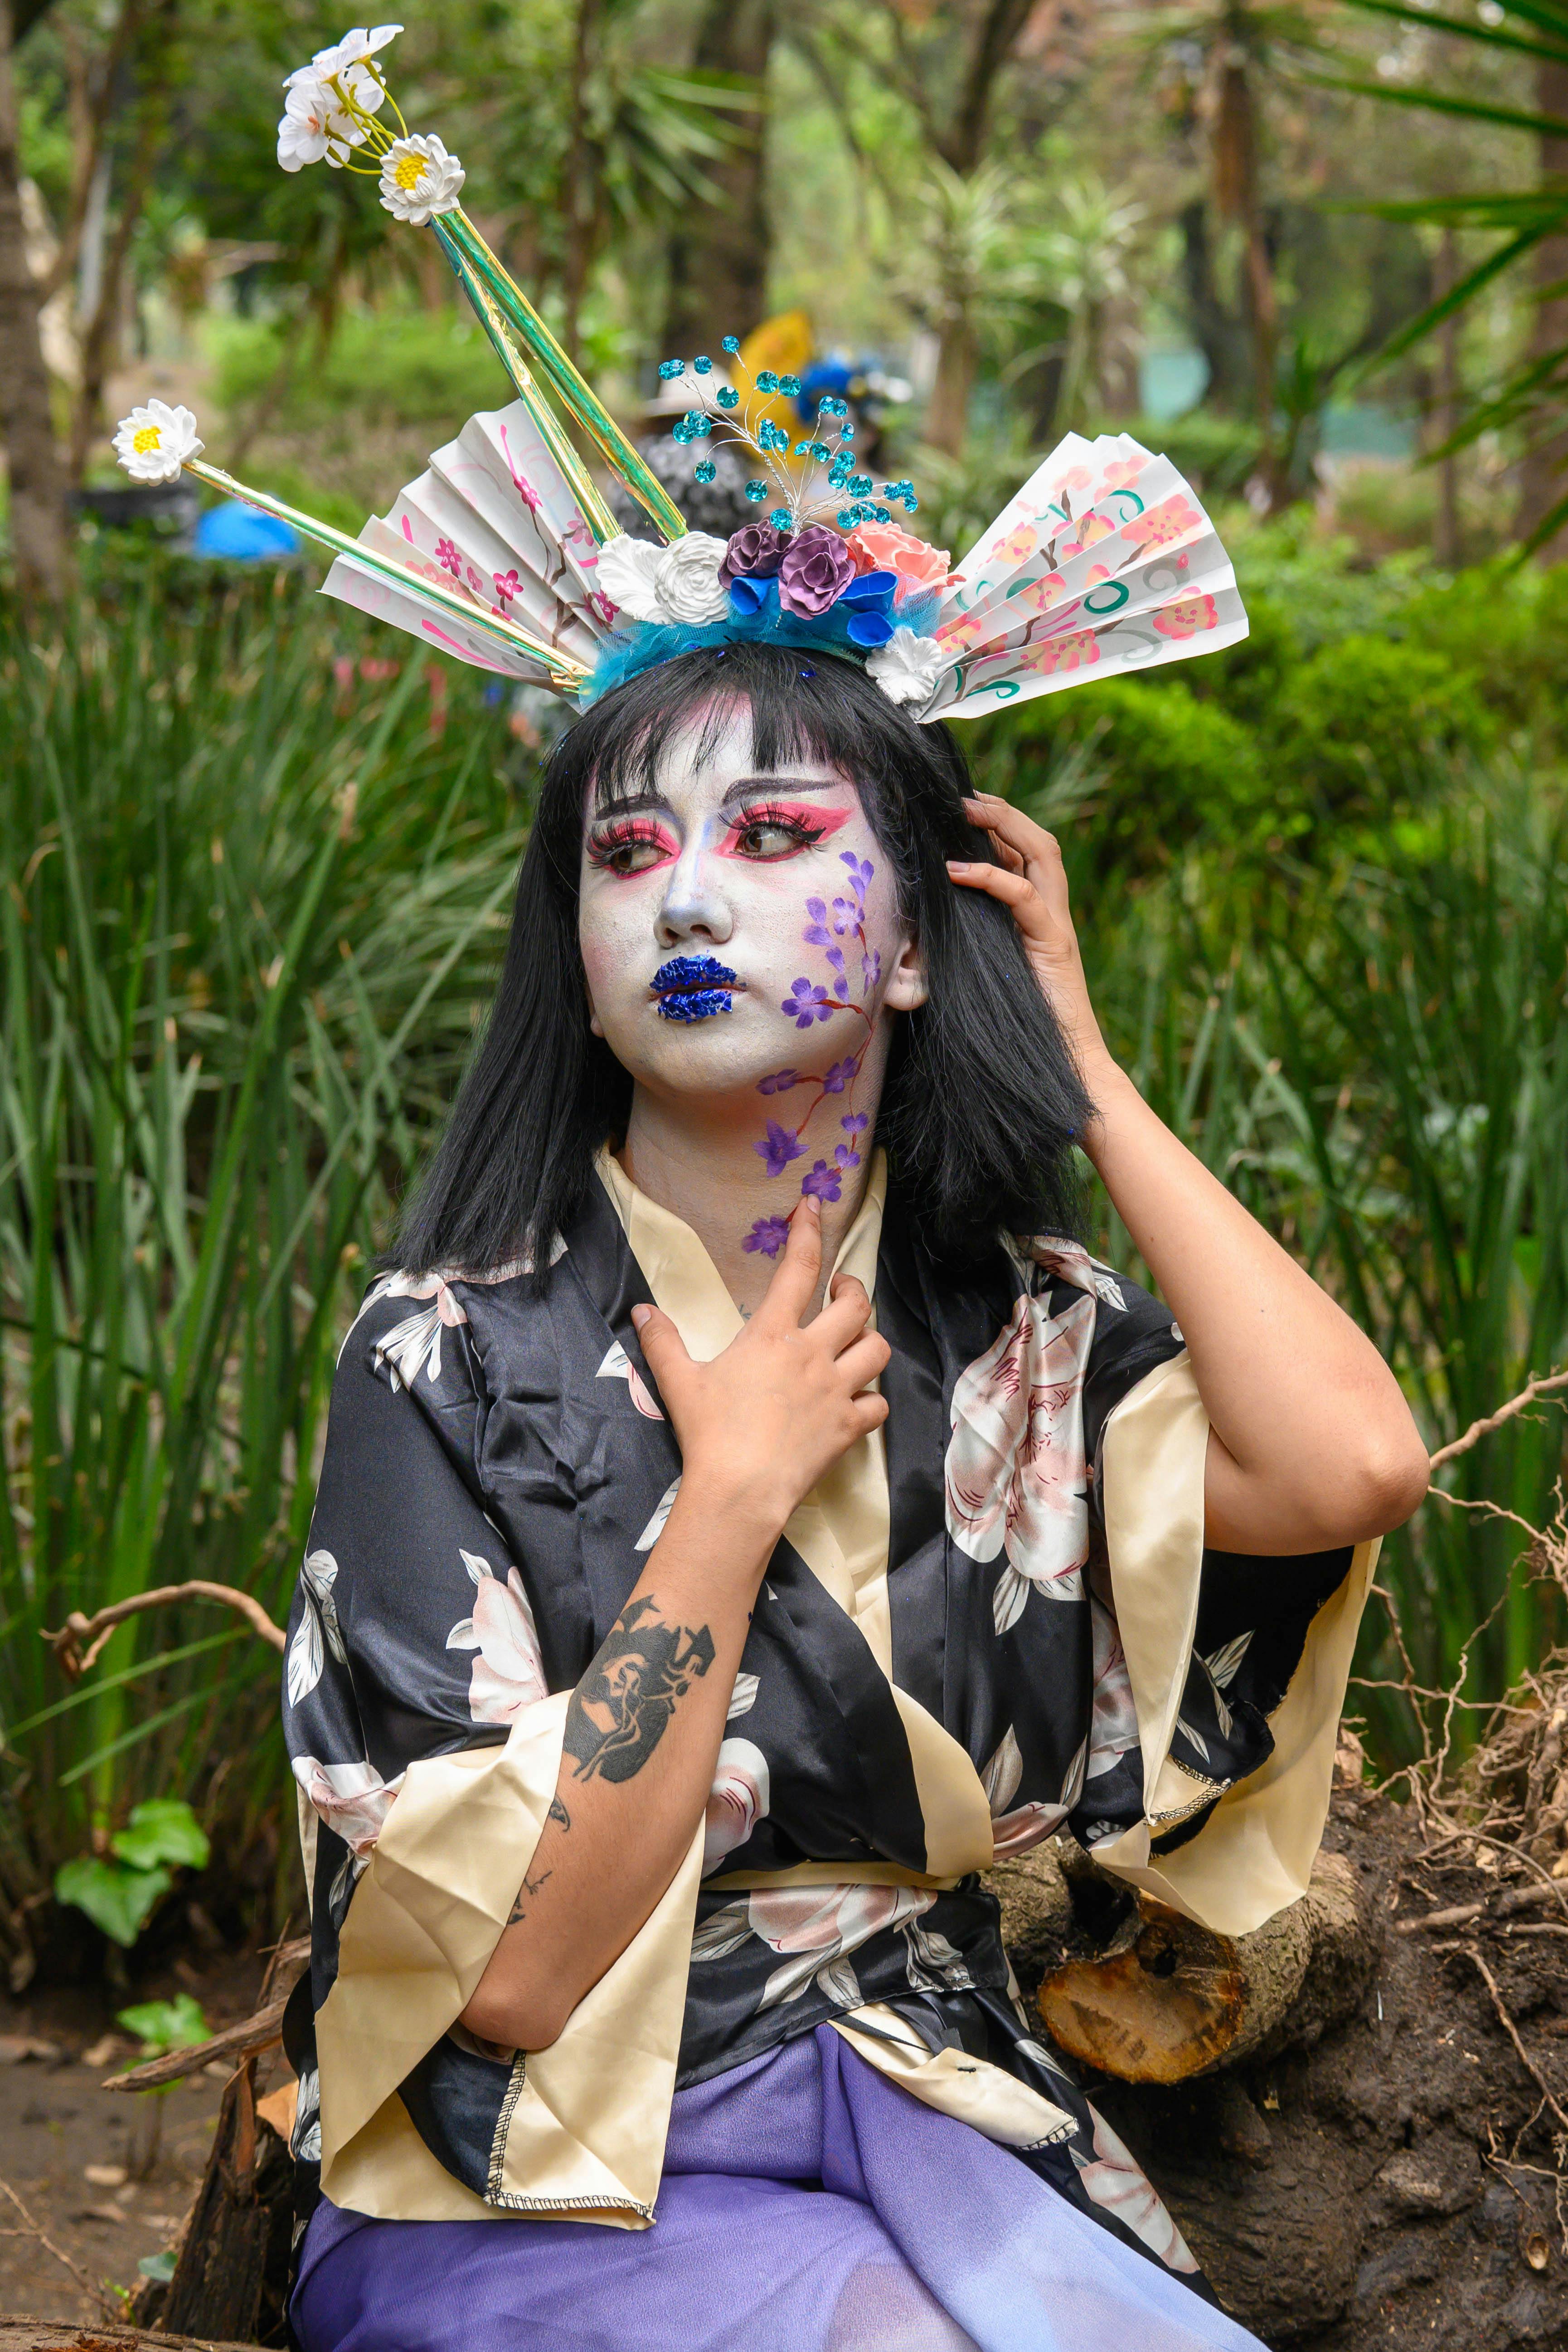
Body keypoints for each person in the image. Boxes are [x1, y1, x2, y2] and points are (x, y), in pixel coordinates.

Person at [279, 641, 1429, 2352]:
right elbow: (510, 1977)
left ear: (907, 940)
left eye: (768, 836)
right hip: (526, 2168)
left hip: (931, 2113)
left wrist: (1075, 1062)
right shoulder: (445, 1353)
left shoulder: (1024, 1330)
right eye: (625, 852)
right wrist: (730, 1497)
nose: (682, 903)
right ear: (574, 957)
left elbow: (1351, 1465)